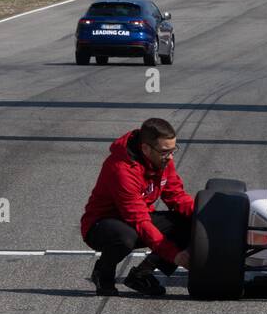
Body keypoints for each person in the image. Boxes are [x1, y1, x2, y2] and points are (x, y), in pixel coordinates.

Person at [81, 117, 195, 296]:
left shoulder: (162, 160)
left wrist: (205, 214)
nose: (170, 157)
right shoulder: (121, 170)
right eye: (166, 152)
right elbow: (140, 221)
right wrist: (174, 255)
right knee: (127, 236)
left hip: (136, 217)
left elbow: (176, 196)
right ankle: (103, 274)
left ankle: (142, 274)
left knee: (189, 222)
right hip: (102, 224)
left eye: (173, 150)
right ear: (145, 148)